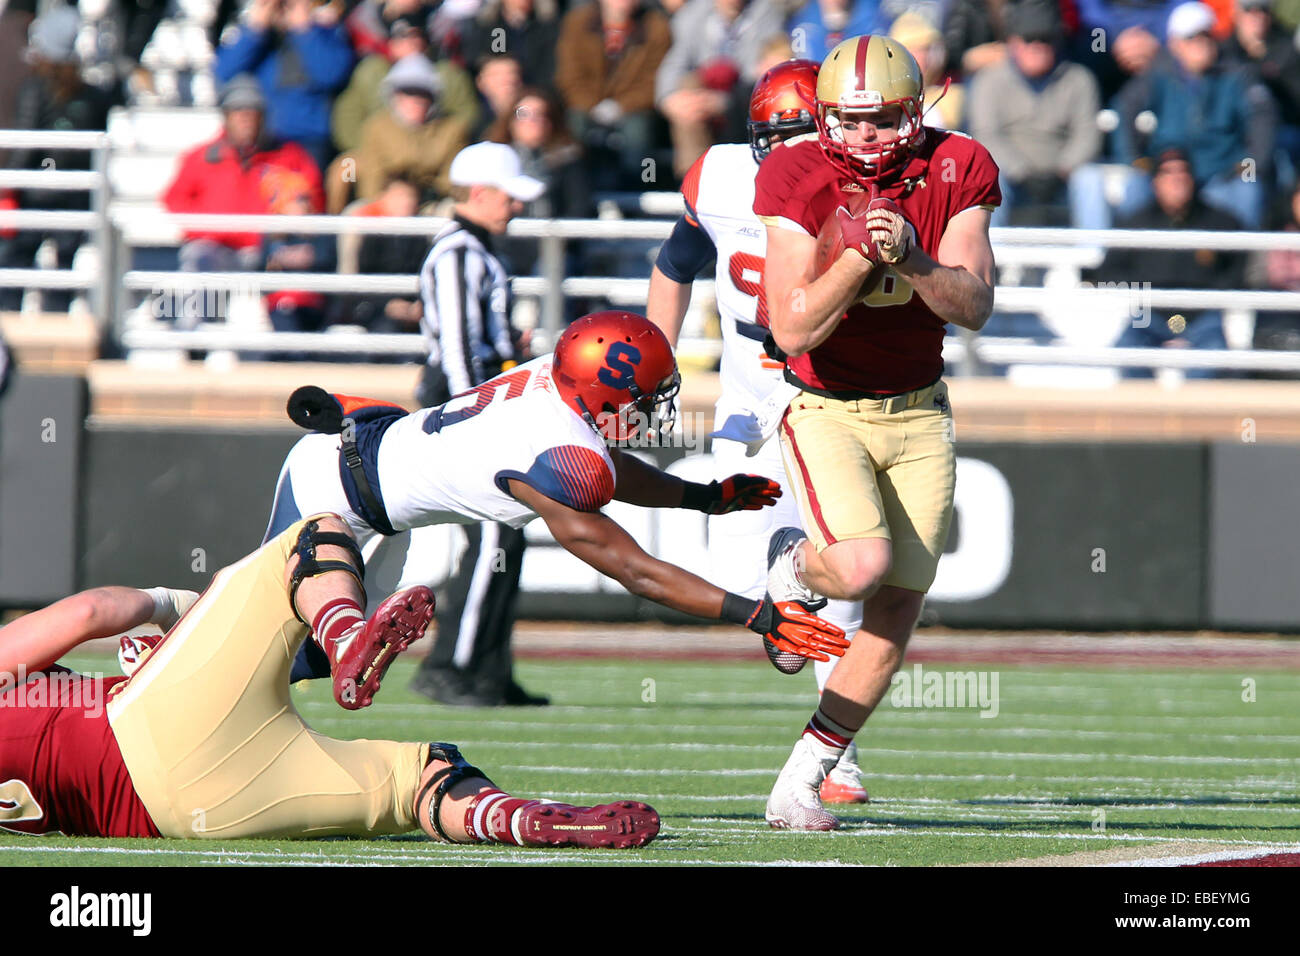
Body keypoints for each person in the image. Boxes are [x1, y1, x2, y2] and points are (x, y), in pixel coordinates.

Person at [259, 310, 849, 707]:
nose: (654, 411)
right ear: (602, 389)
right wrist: (758, 617)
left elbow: (603, 466)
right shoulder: (552, 448)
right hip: (327, 484)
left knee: (314, 654)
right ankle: (170, 640)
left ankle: (177, 635)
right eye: (645, 399)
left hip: (374, 492)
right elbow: (634, 569)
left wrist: (700, 497)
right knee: (266, 636)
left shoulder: (554, 381)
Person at [0, 514, 661, 847]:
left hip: (191, 817)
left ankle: (510, 819)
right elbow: (94, 612)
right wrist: (176, 607)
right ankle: (343, 637)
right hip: (151, 731)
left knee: (417, 780)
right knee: (314, 535)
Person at [753, 35, 999, 830]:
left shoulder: (960, 162)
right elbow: (792, 331)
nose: (861, 137)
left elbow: (974, 304)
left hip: (919, 406)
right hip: (826, 405)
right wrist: (858, 260)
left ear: (914, 111)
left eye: (881, 119)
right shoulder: (793, 170)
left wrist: (916, 259)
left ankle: (803, 780)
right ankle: (793, 566)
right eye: (846, 120)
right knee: (859, 568)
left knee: (898, 609)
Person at [646, 59, 868, 805]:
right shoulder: (719, 178)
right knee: (753, 586)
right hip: (750, 405)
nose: (790, 154)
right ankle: (789, 574)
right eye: (777, 139)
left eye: (800, 135)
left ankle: (838, 758)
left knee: (853, 568)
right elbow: (676, 261)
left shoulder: (858, 178)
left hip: (833, 403)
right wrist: (654, 357)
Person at [162, 75, 323, 323]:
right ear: (226, 117)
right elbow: (174, 200)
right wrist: (214, 229)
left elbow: (313, 199)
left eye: (252, 112)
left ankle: (280, 343)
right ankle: (196, 340)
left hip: (271, 252)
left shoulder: (289, 157)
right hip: (217, 249)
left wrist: (282, 225)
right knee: (199, 257)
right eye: (238, 111)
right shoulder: (202, 157)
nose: (245, 118)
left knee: (294, 261)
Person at [1112, 1, 1276, 230]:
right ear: (1175, 44)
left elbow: (1262, 119)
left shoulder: (1237, 75)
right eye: (1192, 38)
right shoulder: (1158, 75)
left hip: (1222, 171)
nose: (1201, 44)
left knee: (1248, 187)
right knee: (1135, 188)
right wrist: (1136, 161)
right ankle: (1131, 260)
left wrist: (1248, 166)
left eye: (1206, 36)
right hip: (1169, 169)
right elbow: (1125, 106)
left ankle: (1241, 264)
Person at [1090, 146, 1246, 375]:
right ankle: (1138, 410)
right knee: (1126, 351)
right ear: (1155, 181)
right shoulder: (1136, 223)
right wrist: (1143, 292)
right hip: (1149, 314)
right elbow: (1109, 273)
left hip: (1202, 314)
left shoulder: (1220, 221)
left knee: (1214, 357)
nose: (1177, 179)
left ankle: (1201, 410)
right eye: (1168, 172)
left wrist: (1210, 296)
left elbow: (1239, 270)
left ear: (1193, 178)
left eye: (1183, 172)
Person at [0, 4, 114, 313]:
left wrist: (8, 182)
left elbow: (26, 145)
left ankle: (8, 333)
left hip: (37, 190)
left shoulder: (36, 88)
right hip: (74, 194)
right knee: (62, 269)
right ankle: (54, 327)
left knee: (15, 263)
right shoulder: (94, 95)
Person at [967, 2, 1102, 226]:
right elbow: (985, 136)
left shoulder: (1079, 80)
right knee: (988, 177)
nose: (1037, 46)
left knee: (1091, 179)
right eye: (1029, 39)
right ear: (1012, 42)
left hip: (1063, 179)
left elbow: (1088, 135)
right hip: (1012, 179)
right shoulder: (989, 81)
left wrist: (1063, 170)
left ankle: (1096, 256)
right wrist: (1020, 171)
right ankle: (993, 257)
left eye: (1045, 39)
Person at [213, 0, 355, 169]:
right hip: (262, 140)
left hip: (309, 140)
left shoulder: (324, 33)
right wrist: (256, 28)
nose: (282, 9)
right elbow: (224, 72)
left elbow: (332, 74)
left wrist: (304, 30)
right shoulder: (257, 38)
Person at [656, 0, 785, 177]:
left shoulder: (767, 13)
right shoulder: (692, 15)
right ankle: (694, 176)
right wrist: (669, 99)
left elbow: (760, 73)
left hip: (745, 100)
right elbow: (674, 63)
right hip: (702, 101)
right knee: (687, 90)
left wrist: (724, 101)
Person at [554, 0, 673, 190]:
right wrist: (591, 106)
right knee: (573, 128)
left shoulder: (656, 26)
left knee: (638, 134)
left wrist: (621, 107)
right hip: (585, 103)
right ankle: (576, 191)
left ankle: (636, 193)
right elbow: (569, 75)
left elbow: (655, 80)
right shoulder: (577, 23)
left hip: (634, 106)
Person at [331, 14, 480, 155]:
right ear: (391, 44)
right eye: (403, 38)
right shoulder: (371, 71)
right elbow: (348, 115)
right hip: (378, 152)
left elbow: (466, 116)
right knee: (345, 169)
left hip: (434, 153)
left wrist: (436, 146)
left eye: (417, 37)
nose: (411, 44)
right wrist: (371, 149)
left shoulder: (447, 74)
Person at [352, 53, 471, 203]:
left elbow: (452, 179)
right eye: (408, 93)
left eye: (422, 94)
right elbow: (371, 179)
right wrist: (389, 198)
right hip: (388, 200)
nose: (415, 101)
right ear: (395, 97)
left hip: (433, 202)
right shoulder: (376, 128)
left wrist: (422, 194)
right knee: (355, 213)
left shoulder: (452, 130)